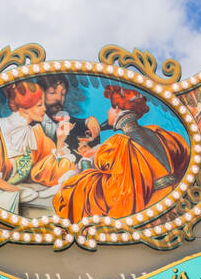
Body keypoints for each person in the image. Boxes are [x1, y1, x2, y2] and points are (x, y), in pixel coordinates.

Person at [53, 85, 191, 222]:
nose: (108, 111)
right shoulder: (159, 133)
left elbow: (115, 188)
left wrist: (86, 163)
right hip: (173, 198)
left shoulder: (119, 143)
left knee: (75, 187)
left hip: (151, 205)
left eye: (111, 107)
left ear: (118, 110)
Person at [0, 81, 81, 214]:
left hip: (24, 195)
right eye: (39, 105)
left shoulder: (36, 135)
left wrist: (61, 141)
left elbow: (46, 172)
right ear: (24, 108)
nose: (44, 109)